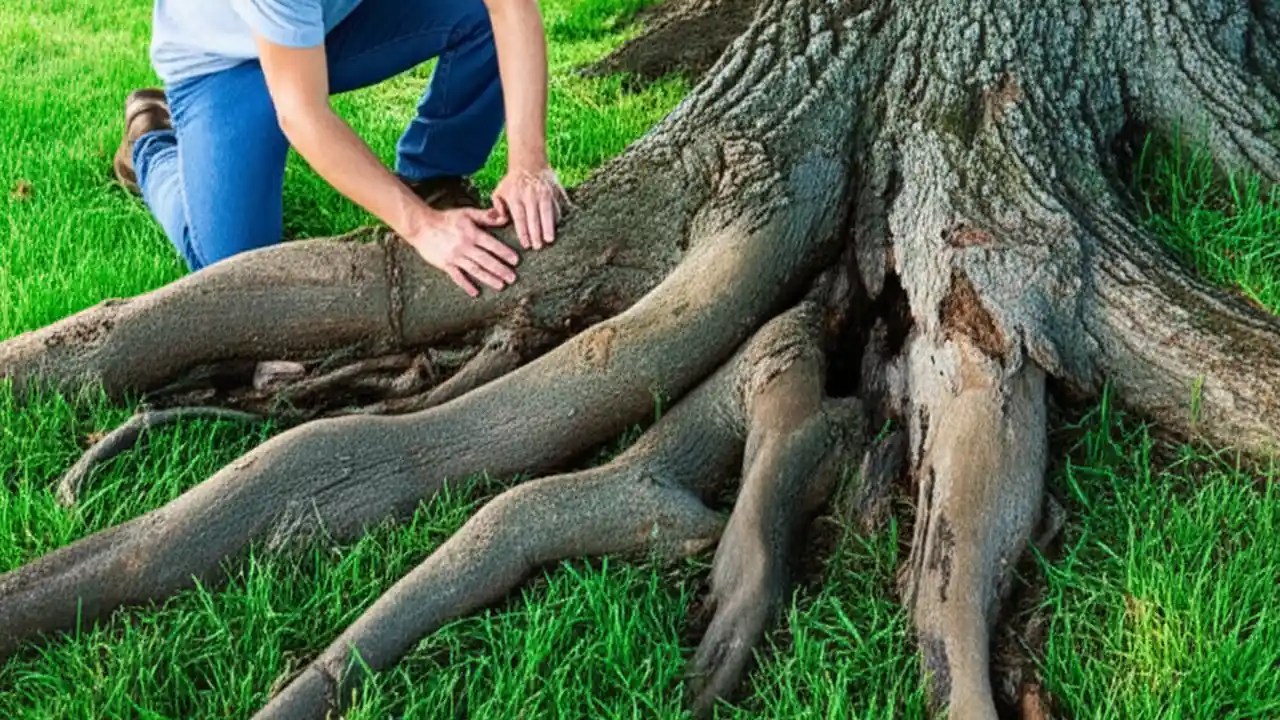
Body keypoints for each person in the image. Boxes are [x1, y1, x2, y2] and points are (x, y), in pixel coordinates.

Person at [112, 0, 567, 297]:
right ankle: (151, 146)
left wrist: (529, 162)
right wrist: (421, 228)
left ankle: (433, 178)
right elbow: (302, 114)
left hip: (332, 22)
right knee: (235, 271)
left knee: (476, 13)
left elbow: (509, 7)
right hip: (222, 64)